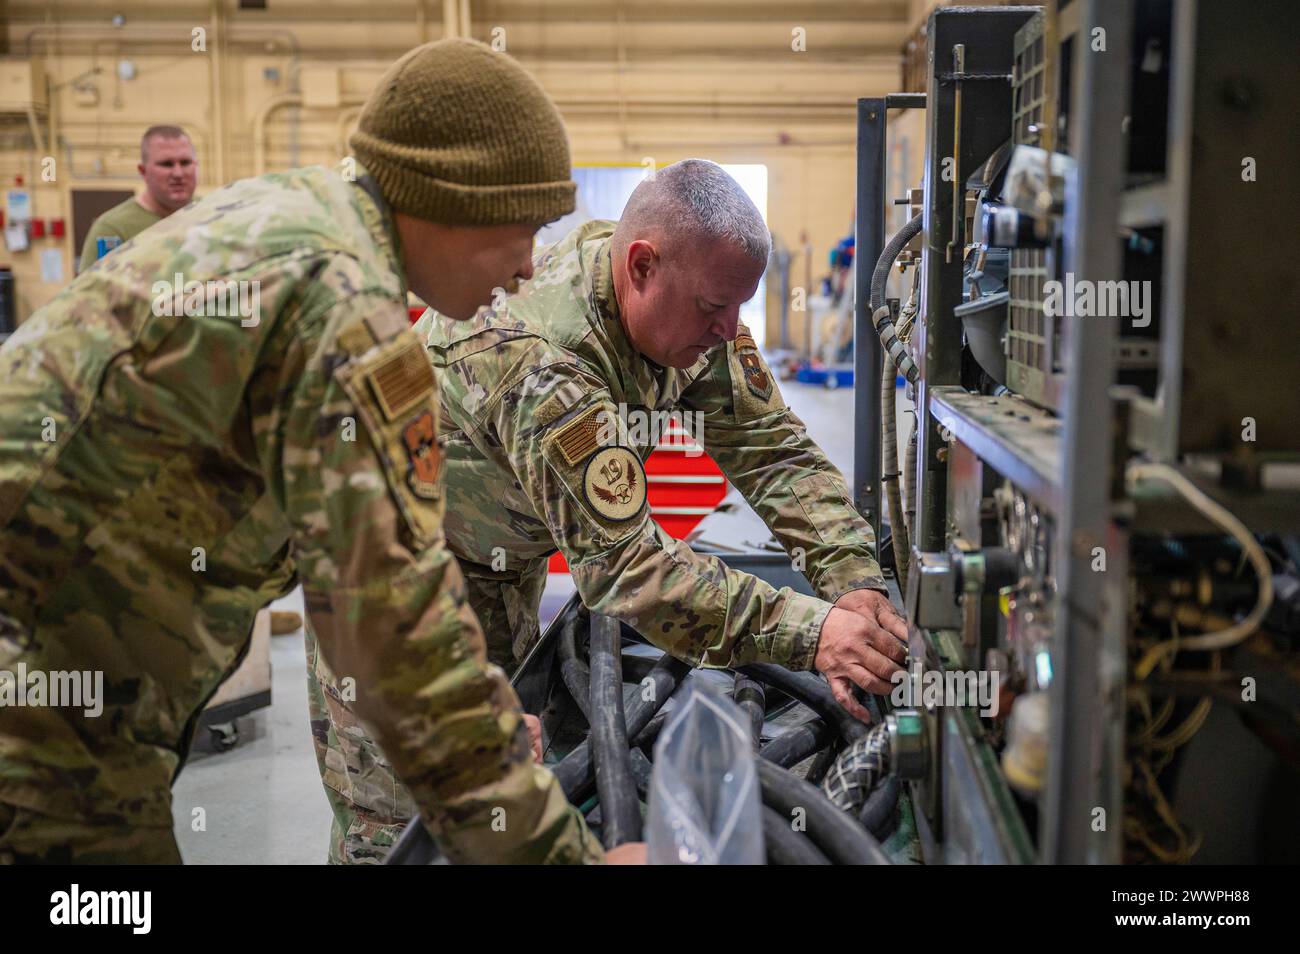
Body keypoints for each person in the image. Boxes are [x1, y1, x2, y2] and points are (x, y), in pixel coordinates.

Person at [0, 38, 608, 865]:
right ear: (454, 199)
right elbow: (394, 629)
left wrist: (483, 710)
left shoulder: (294, 211)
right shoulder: (347, 311)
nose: (530, 263)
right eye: (526, 227)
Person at [310, 159, 909, 862]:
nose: (729, 330)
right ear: (642, 265)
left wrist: (854, 584)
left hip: (495, 562)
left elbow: (774, 453)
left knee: (495, 799)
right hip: (385, 589)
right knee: (403, 823)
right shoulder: (535, 360)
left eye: (739, 306)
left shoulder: (686, 298)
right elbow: (632, 570)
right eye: (715, 309)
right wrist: (814, 633)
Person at [78, 125, 198, 272]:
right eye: (166, 164)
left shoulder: (213, 213)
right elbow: (90, 293)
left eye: (185, 162)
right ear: (143, 171)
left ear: (196, 165)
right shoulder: (113, 229)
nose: (178, 173)